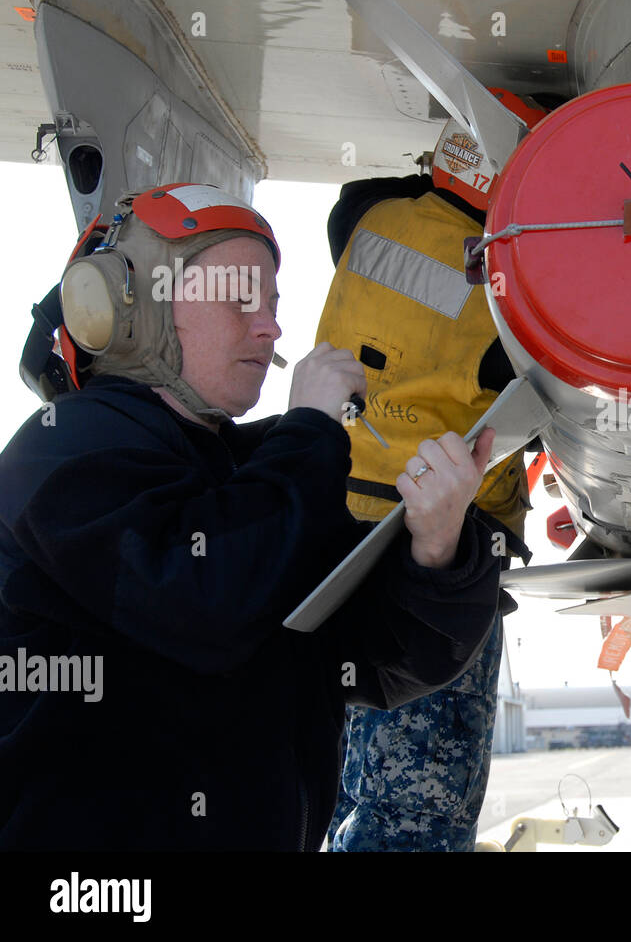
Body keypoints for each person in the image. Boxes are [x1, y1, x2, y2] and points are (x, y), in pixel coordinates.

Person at [0, 183, 502, 850]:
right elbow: (211, 601)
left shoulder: (254, 479)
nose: (269, 326)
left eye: (271, 304)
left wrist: (436, 549)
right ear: (135, 305)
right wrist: (307, 431)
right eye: (239, 298)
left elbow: (384, 662)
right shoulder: (63, 452)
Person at [321, 91, 544, 852]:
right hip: (434, 549)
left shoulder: (370, 225)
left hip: (342, 537)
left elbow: (352, 202)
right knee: (420, 815)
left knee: (353, 788)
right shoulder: (509, 286)